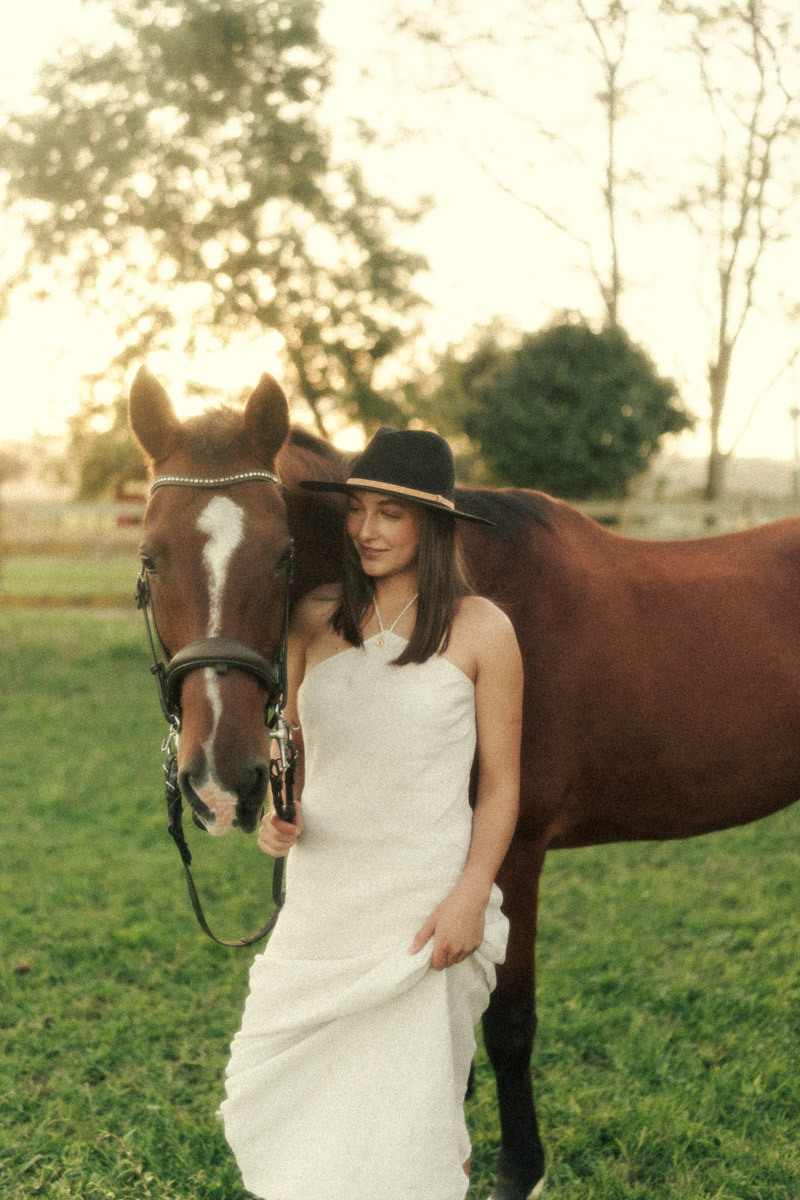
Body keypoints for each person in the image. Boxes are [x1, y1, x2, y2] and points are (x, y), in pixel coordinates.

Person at [221, 426, 523, 1200]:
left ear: (434, 524)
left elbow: (500, 784)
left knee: (417, 1114)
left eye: (391, 513)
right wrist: (277, 814)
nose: (366, 529)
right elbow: (292, 748)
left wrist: (470, 893)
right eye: (357, 509)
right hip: (323, 903)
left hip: (425, 905)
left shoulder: (484, 629)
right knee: (293, 1098)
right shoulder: (312, 618)